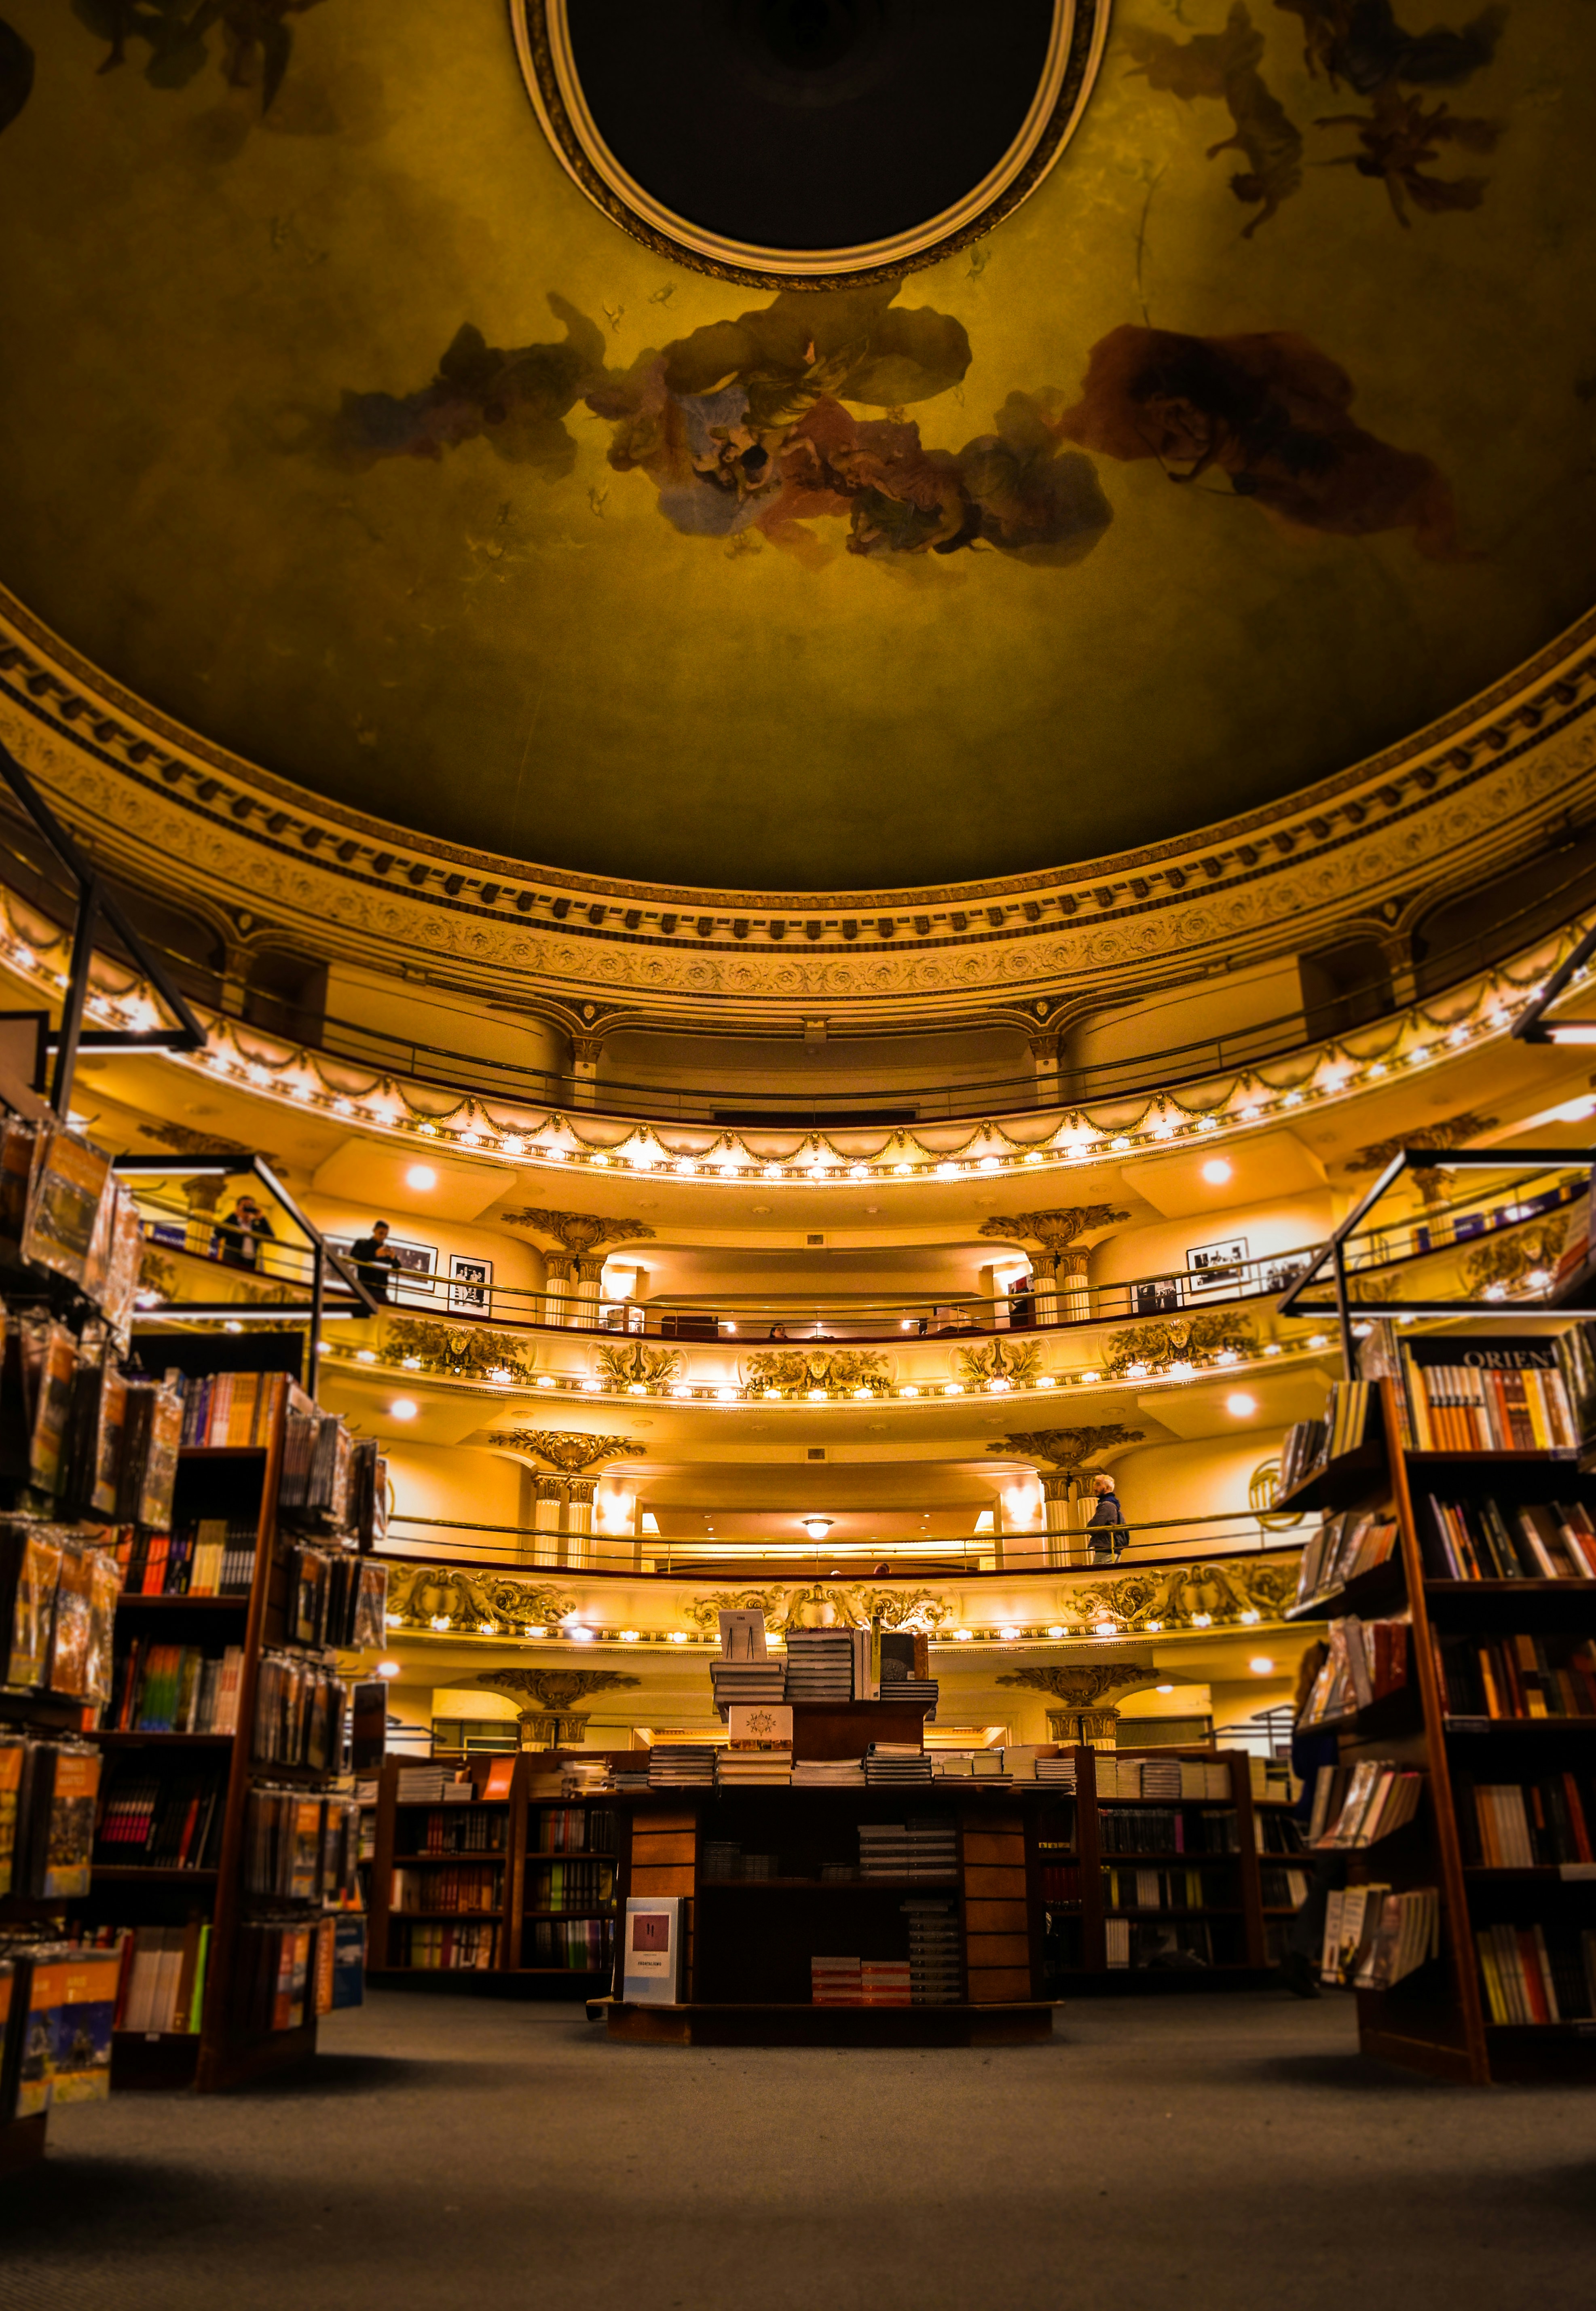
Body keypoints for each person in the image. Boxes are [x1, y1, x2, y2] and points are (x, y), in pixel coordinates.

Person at [1282, 1639, 1343, 1999]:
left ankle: (1303, 1957)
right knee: (1332, 1882)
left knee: (1328, 1880)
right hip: (1339, 1802)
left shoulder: (1303, 1715)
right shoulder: (1338, 1713)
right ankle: (1300, 1956)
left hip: (1316, 1807)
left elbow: (1301, 1768)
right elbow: (1332, 1761)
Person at [217, 1193, 276, 1272]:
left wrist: (262, 1219)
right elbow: (218, 1233)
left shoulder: (256, 1226)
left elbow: (271, 1236)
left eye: (251, 1206)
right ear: (238, 1207)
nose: (248, 1208)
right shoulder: (233, 1222)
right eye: (245, 1206)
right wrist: (234, 1215)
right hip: (233, 1261)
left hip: (252, 1264)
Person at [349, 1219, 400, 1304]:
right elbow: (354, 1257)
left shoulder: (387, 1249)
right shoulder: (362, 1244)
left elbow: (398, 1267)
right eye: (381, 1233)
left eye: (386, 1235)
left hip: (381, 1290)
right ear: (374, 1230)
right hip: (364, 1287)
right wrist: (375, 1254)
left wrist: (393, 1258)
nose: (383, 1237)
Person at [1085, 1470, 1128, 1563]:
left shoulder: (1107, 1505)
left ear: (1108, 1488)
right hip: (1109, 1548)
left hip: (1106, 1549)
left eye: (1098, 1484)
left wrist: (1090, 1525)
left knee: (1097, 1577)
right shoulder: (1112, 1504)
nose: (1094, 1488)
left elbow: (1093, 1527)